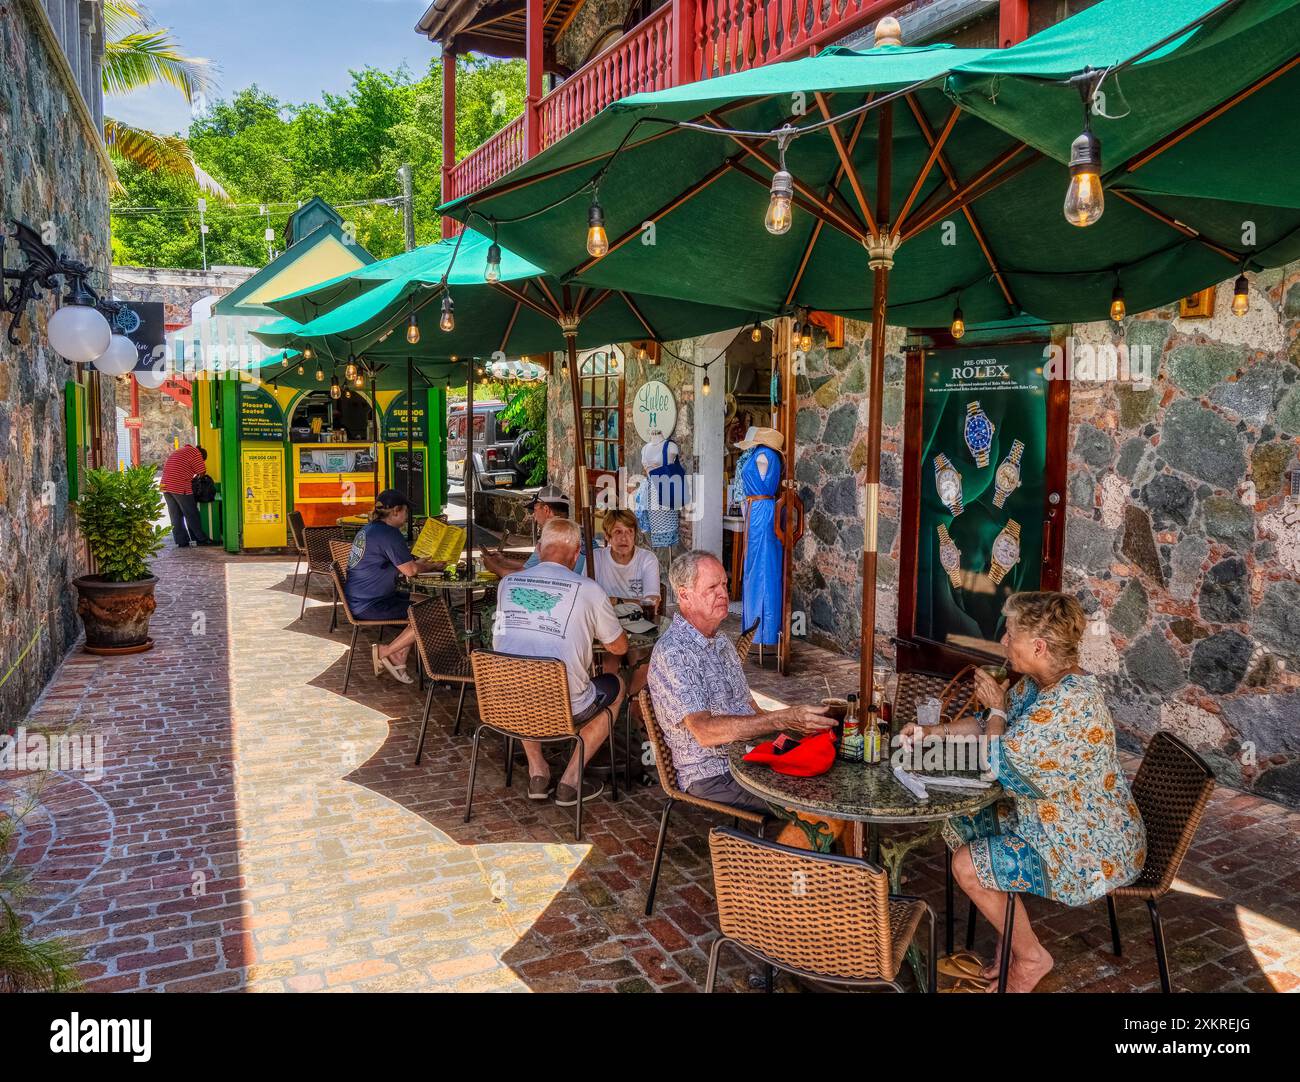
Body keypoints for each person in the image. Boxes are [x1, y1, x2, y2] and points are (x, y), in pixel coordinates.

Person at [901, 591, 1146, 993]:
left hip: (1089, 845)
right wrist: (931, 732)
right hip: (1052, 821)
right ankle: (1013, 937)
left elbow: (1000, 762)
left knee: (967, 864)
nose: (1002, 641)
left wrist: (997, 709)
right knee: (967, 821)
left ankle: (1031, 957)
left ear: (1038, 645)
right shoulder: (1038, 684)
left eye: (1009, 633)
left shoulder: (1072, 705)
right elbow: (985, 725)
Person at [647, 550, 841, 849]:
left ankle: (855, 872)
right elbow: (706, 732)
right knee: (821, 807)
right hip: (713, 773)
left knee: (834, 773)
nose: (723, 593)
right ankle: (774, 885)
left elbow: (750, 708)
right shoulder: (675, 653)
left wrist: (799, 729)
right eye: (712, 588)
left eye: (724, 585)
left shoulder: (721, 641)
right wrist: (782, 719)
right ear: (684, 596)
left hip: (750, 756)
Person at [493, 517, 627, 807]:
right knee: (616, 684)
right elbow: (618, 646)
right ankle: (571, 779)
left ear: (540, 548)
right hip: (566, 709)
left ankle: (537, 769)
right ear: (577, 552)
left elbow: (501, 641)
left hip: (504, 703)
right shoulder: (589, 590)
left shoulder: (507, 584)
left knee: (522, 670)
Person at [344, 489, 442, 684]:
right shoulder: (388, 533)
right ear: (396, 511)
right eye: (406, 512)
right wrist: (429, 565)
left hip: (361, 598)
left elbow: (402, 565)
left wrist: (417, 564)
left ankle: (398, 655)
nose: (407, 517)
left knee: (427, 602)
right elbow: (411, 571)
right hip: (370, 604)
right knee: (432, 612)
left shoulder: (371, 529)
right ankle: (385, 652)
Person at [593, 509, 661, 707]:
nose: (624, 538)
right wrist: (632, 602)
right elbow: (584, 594)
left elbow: (652, 599)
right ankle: (610, 707)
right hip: (607, 626)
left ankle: (633, 708)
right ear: (607, 536)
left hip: (639, 626)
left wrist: (614, 601)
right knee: (609, 662)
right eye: (618, 532)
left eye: (629, 532)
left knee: (643, 660)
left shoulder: (646, 559)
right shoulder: (596, 558)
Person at [735, 426, 785, 647]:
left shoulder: (765, 456)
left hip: (761, 513)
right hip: (758, 510)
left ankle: (763, 630)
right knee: (756, 568)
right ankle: (756, 630)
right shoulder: (762, 455)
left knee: (762, 569)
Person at [482, 486, 587, 578]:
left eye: (535, 510)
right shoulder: (579, 532)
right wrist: (503, 561)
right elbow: (533, 566)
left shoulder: (553, 537)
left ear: (546, 509)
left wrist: (494, 567)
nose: (533, 515)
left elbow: (522, 575)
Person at [159, 443, 215, 547]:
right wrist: (199, 477)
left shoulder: (182, 450)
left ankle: (181, 541)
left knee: (175, 514)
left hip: (165, 484)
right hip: (178, 484)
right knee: (191, 513)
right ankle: (201, 539)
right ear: (202, 457)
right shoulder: (196, 453)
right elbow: (202, 471)